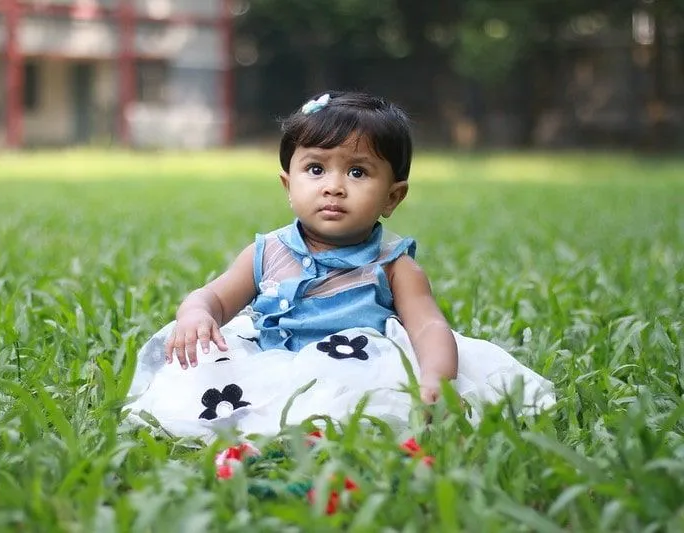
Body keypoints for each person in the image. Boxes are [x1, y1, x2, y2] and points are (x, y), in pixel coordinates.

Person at [125, 91, 555, 437]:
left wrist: (437, 379)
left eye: (357, 173)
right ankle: (262, 428)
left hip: (359, 366)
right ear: (288, 185)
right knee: (208, 383)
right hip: (271, 363)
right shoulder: (268, 252)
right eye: (315, 168)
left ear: (392, 197)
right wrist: (197, 313)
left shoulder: (392, 263)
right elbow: (215, 297)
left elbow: (428, 327)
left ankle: (321, 430)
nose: (333, 186)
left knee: (365, 404)